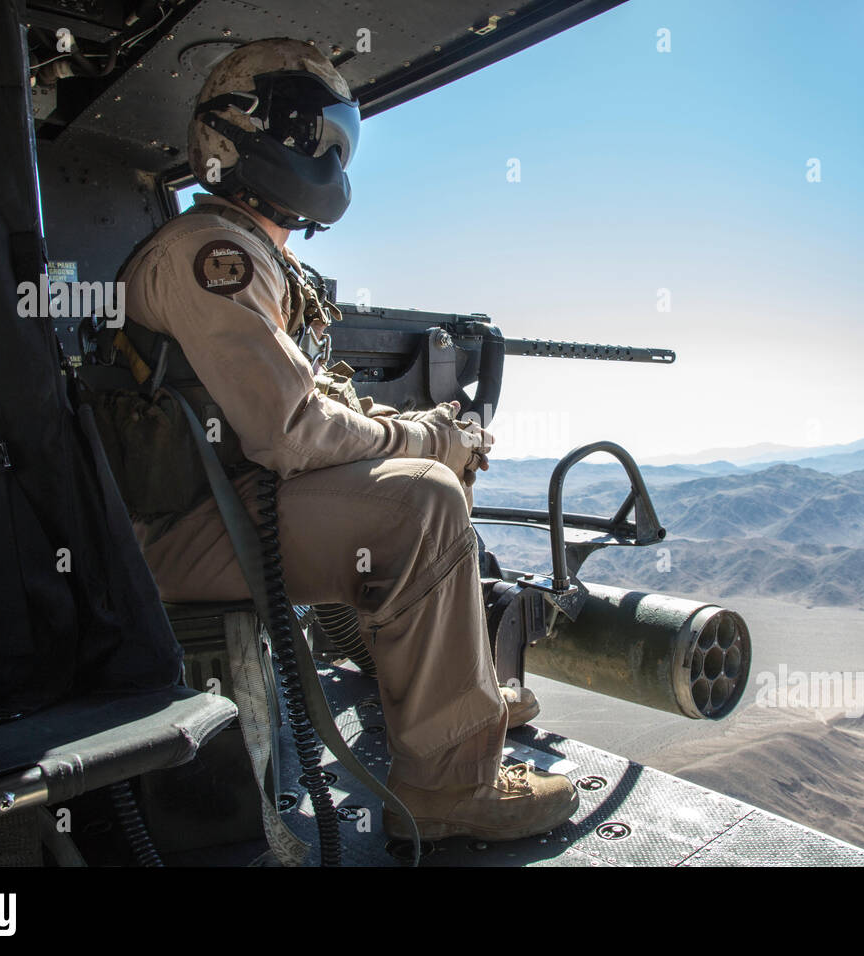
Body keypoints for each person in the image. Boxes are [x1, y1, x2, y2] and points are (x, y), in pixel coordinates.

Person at [117, 37, 576, 842]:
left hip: (221, 504)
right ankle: (448, 788)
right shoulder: (209, 255)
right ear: (247, 134)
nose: (330, 157)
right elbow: (290, 432)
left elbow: (301, 413)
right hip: (179, 530)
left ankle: (454, 701)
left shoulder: (251, 253)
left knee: (422, 477)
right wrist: (424, 438)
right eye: (315, 135)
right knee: (420, 503)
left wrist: (424, 437)